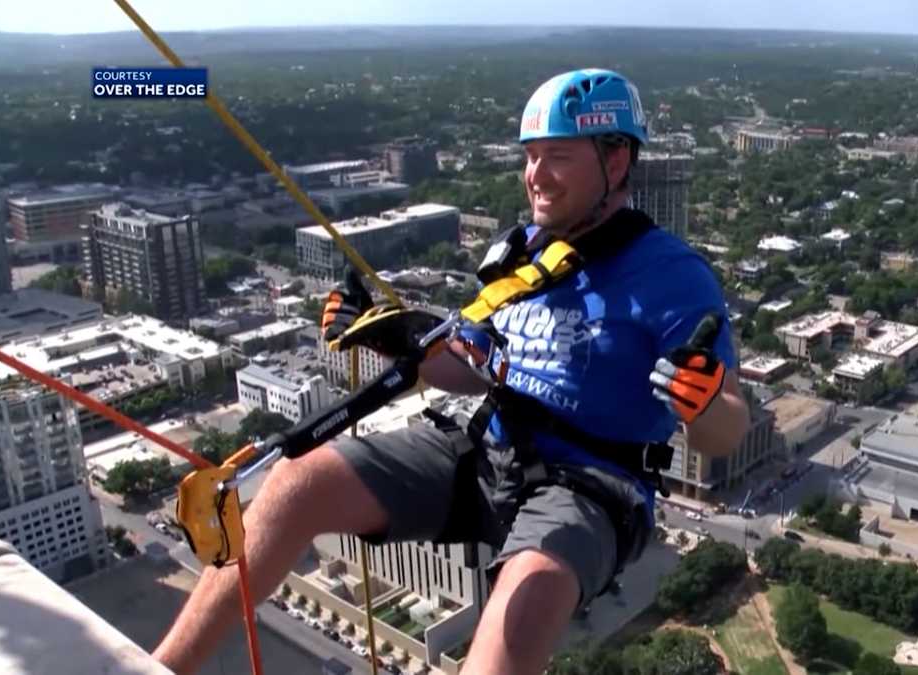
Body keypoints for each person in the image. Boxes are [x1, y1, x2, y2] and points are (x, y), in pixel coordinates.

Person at [152, 68, 750, 675]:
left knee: (520, 610)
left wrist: (702, 403)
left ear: (616, 161)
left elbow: (725, 430)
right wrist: (390, 336)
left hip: (591, 487)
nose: (535, 175)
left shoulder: (673, 276)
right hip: (486, 448)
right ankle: (161, 668)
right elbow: (472, 370)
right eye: (531, 156)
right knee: (293, 483)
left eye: (558, 157)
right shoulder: (524, 255)